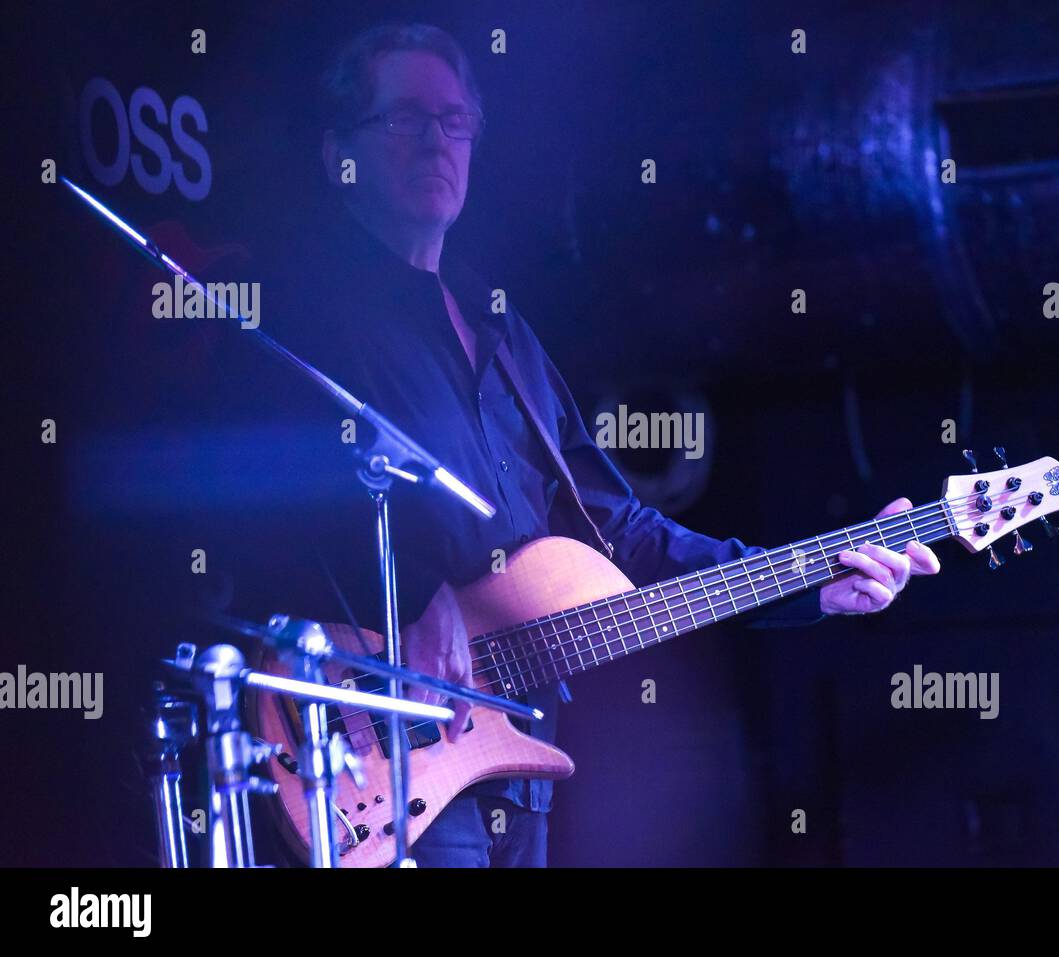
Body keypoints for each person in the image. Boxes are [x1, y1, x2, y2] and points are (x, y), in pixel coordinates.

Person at [290, 21, 940, 867]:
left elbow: (622, 535)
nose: (436, 141)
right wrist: (419, 597)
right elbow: (257, 491)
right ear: (338, 148)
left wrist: (819, 577)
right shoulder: (306, 313)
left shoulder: (504, 332)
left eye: (455, 122)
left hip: (516, 747)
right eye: (405, 118)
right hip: (383, 733)